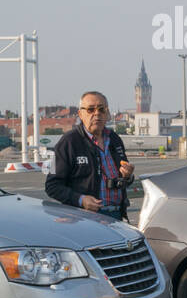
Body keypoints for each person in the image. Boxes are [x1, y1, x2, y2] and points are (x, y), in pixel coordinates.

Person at [45, 91, 134, 221]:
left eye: (101, 109)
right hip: (85, 218)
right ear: (81, 114)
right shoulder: (68, 142)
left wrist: (127, 176)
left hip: (117, 216)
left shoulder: (114, 139)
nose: (97, 113)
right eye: (90, 109)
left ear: (107, 113)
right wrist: (81, 200)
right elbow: (52, 186)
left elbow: (125, 180)